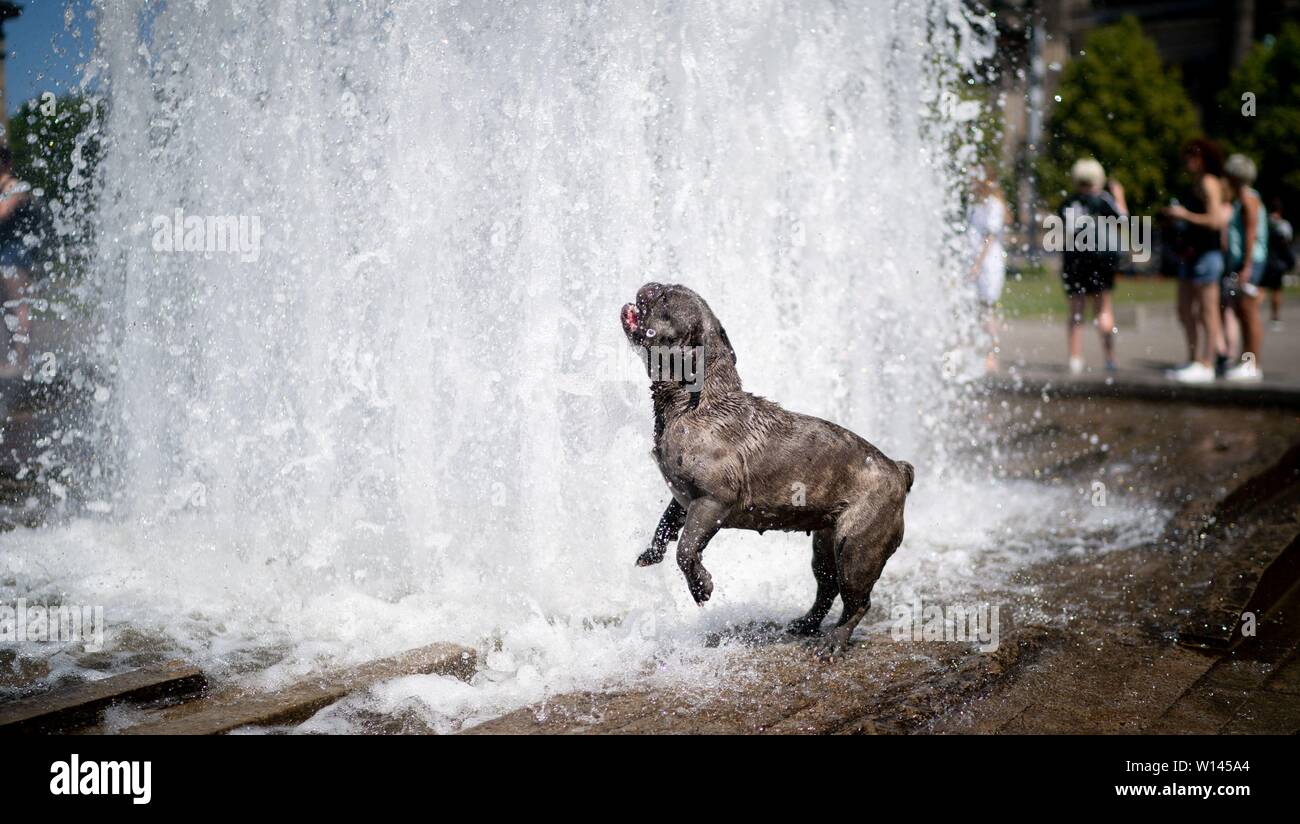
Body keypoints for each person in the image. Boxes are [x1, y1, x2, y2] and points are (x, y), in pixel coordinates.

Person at [1163, 139, 1228, 384]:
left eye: (1193, 155)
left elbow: (1216, 221)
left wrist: (1185, 215)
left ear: (1204, 158)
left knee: (1207, 311)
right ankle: (1193, 358)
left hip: (1207, 253)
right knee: (1184, 309)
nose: (1188, 160)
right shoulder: (1196, 182)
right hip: (1190, 253)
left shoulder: (1210, 183)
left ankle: (1207, 362)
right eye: (1187, 154)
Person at [1059, 158, 1126, 374]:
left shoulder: (1069, 203)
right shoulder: (1103, 200)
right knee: (1103, 310)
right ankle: (1109, 358)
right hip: (1100, 261)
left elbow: (1062, 230)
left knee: (1076, 311)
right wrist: (1120, 197)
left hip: (1075, 261)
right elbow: (1122, 219)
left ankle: (1075, 359)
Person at [1220, 154, 1268, 381]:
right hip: (1245, 261)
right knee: (1242, 311)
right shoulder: (1242, 199)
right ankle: (1245, 361)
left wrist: (1247, 265)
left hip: (1250, 261)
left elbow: (1251, 235)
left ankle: (1252, 364)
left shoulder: (1249, 200)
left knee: (1248, 312)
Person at [966, 167, 1007, 373]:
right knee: (974, 310)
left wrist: (978, 265)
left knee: (986, 309)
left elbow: (989, 238)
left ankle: (991, 354)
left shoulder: (993, 206)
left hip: (988, 266)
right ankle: (978, 352)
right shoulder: (975, 206)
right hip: (974, 264)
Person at [0, 146, 34, 378]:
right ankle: (10, 358)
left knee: (18, 304)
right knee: (6, 307)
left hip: (15, 254)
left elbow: (3, 212)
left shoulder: (13, 186)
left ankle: (20, 358)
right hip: (5, 252)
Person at [1262, 196, 1295, 330]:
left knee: (1260, 289)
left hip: (1265, 261)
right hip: (1278, 263)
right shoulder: (1284, 225)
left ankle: (1254, 314)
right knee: (1276, 291)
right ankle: (1275, 317)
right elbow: (1287, 244)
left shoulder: (1264, 223)